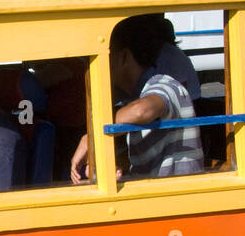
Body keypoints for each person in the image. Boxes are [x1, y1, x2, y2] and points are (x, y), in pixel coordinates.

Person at [70, 15, 204, 182]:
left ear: (124, 57)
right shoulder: (132, 96)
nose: (96, 67)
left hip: (179, 195)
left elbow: (142, 111)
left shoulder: (164, 84)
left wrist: (92, 134)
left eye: (102, 58)